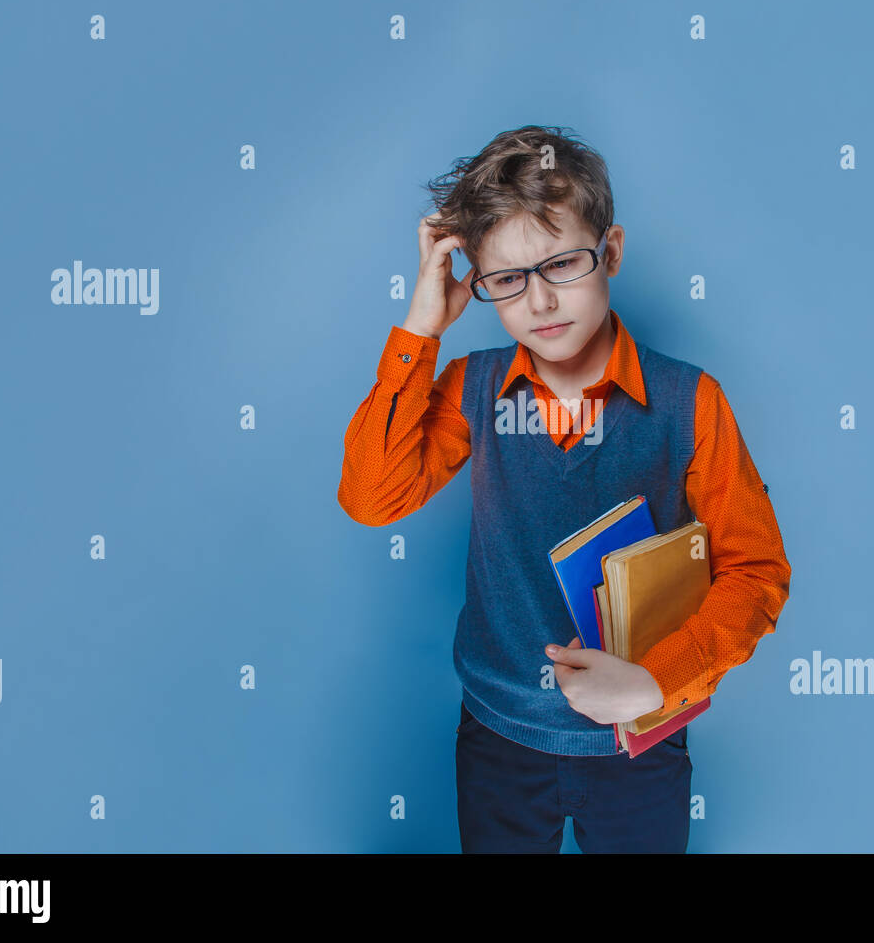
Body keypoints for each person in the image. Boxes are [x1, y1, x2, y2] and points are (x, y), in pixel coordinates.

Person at [338, 125, 791, 853]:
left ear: (609, 252)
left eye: (561, 265)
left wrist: (655, 680)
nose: (541, 301)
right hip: (497, 736)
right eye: (507, 279)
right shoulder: (472, 390)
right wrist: (423, 328)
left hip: (638, 741)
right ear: (478, 285)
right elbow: (370, 498)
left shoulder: (690, 403)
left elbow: (757, 571)